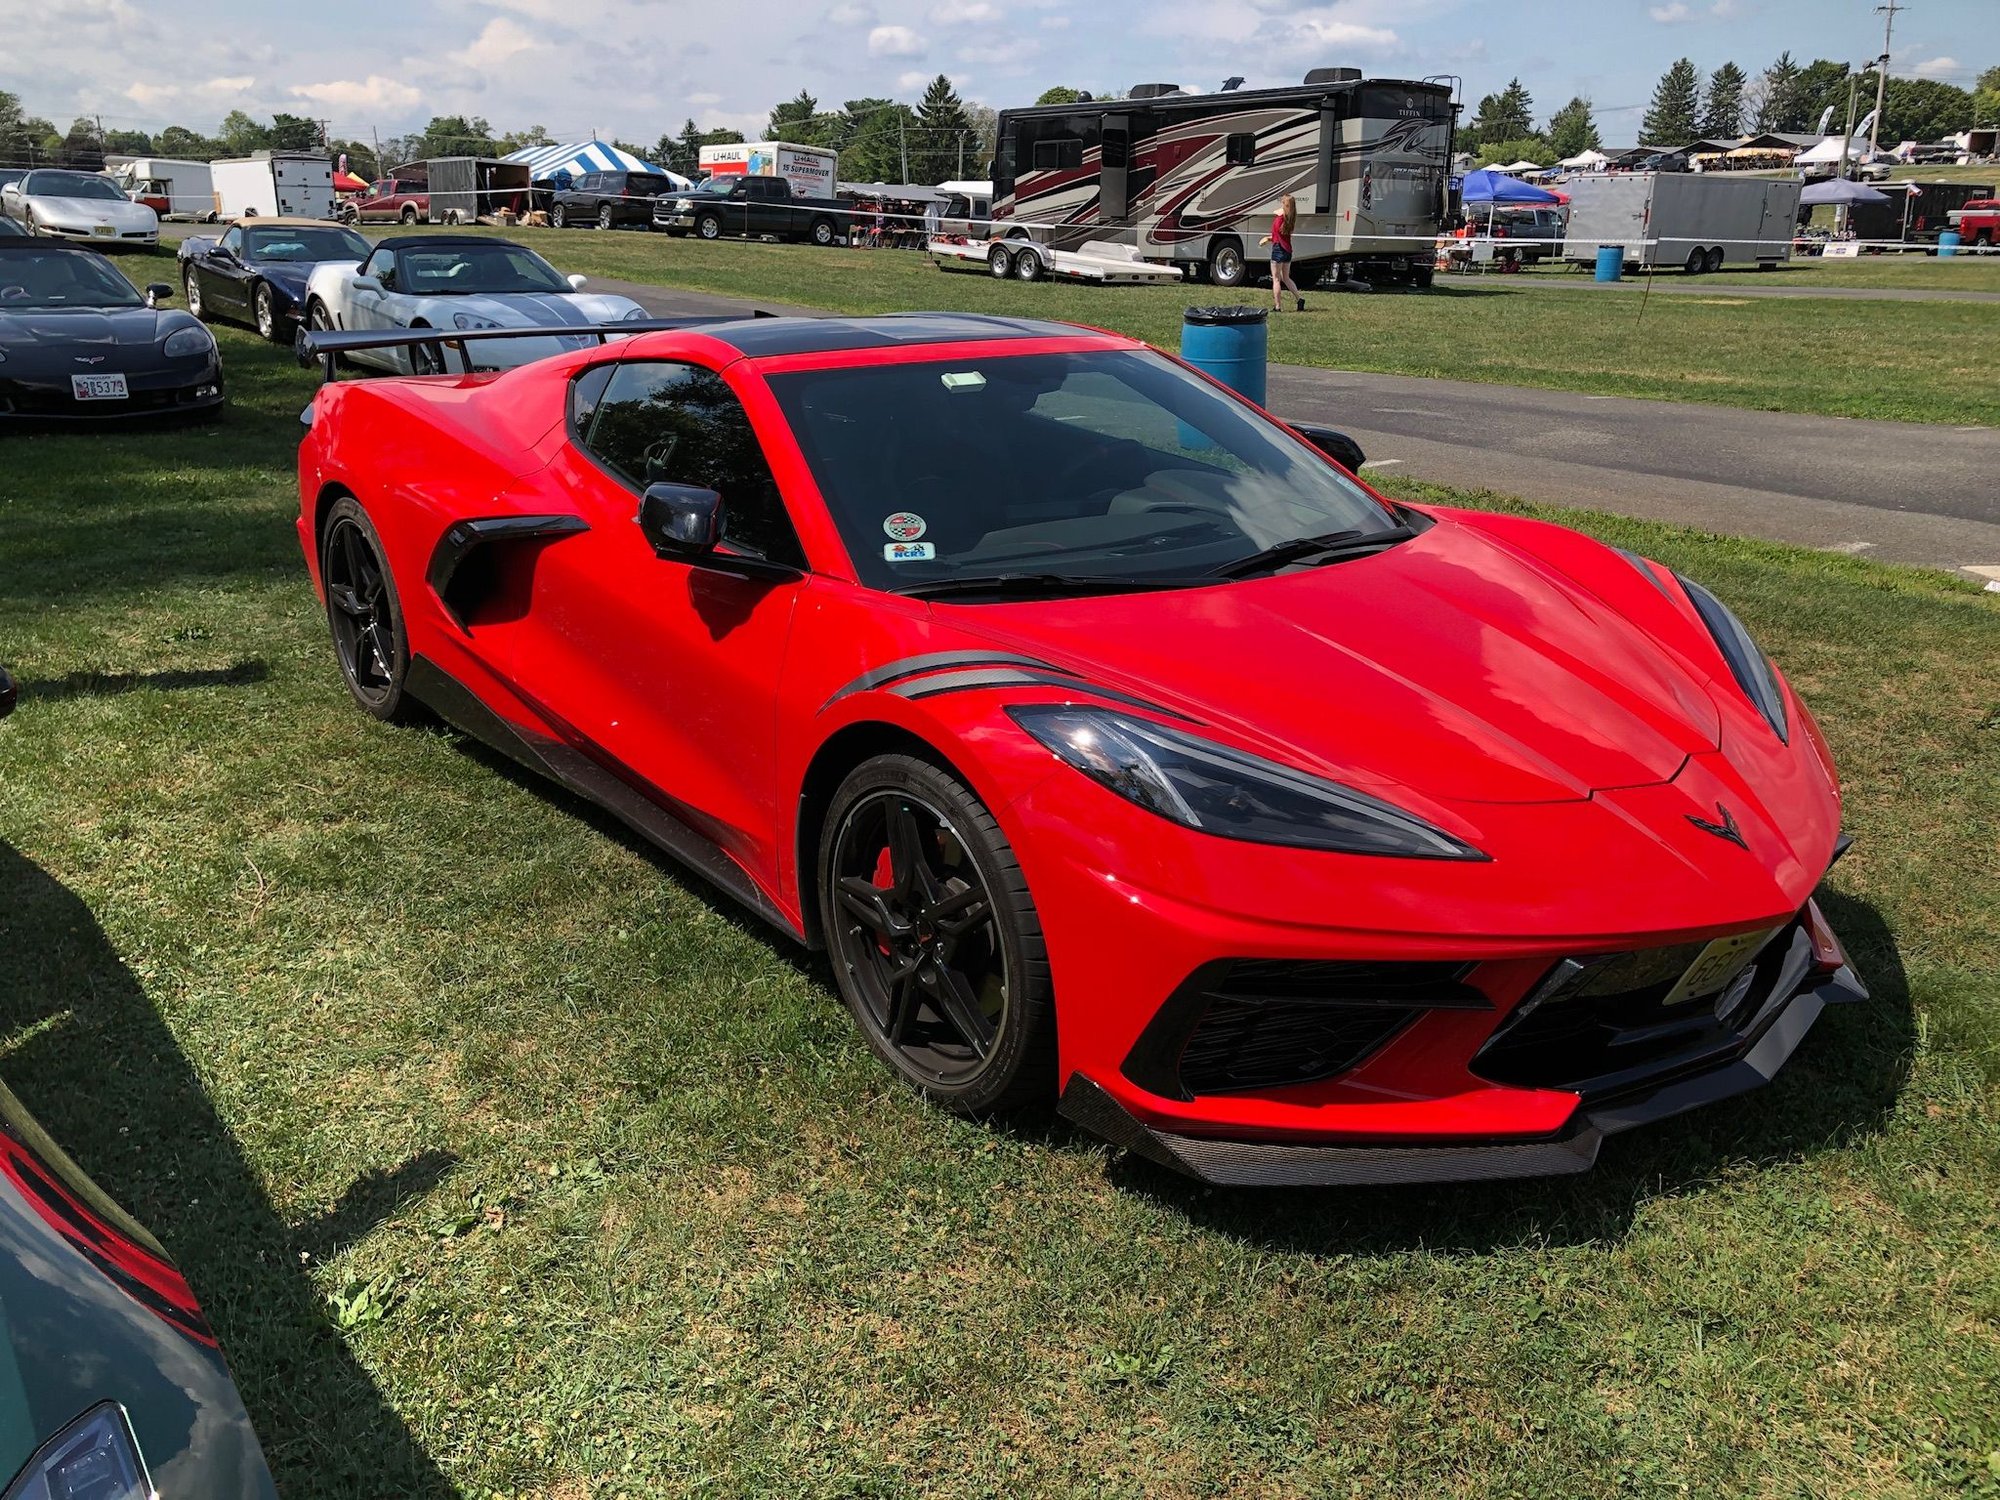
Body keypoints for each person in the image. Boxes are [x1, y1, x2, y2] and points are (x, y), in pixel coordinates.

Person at [1261, 193, 1303, 312]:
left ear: (1285, 205)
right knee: (1286, 277)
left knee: (1276, 279)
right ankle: (1299, 299)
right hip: (1287, 250)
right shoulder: (1291, 219)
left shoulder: (1279, 219)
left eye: (1283, 203)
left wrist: (1267, 239)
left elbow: (1276, 236)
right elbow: (1282, 236)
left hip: (1278, 249)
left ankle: (1278, 306)